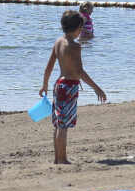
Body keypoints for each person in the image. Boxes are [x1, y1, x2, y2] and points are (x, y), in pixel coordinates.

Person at [39, 10, 107, 164]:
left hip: (58, 86)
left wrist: (44, 86)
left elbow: (48, 68)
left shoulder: (58, 42)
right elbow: (79, 71)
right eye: (80, 29)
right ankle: (62, 160)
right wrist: (96, 88)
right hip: (69, 87)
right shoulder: (75, 46)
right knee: (63, 126)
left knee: (58, 124)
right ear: (78, 27)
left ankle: (57, 158)